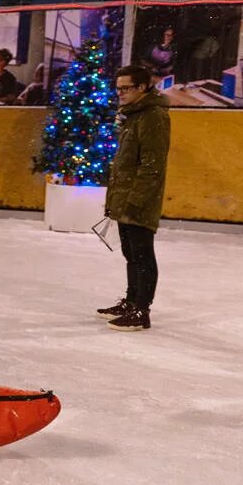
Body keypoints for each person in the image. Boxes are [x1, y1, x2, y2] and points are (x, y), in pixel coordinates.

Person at [98, 65, 171, 331]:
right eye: (118, 88)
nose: (120, 93)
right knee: (130, 252)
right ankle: (131, 302)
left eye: (125, 88)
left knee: (142, 254)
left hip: (139, 199)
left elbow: (152, 165)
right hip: (126, 195)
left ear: (142, 87)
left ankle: (142, 310)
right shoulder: (132, 115)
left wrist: (136, 200)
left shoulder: (153, 117)